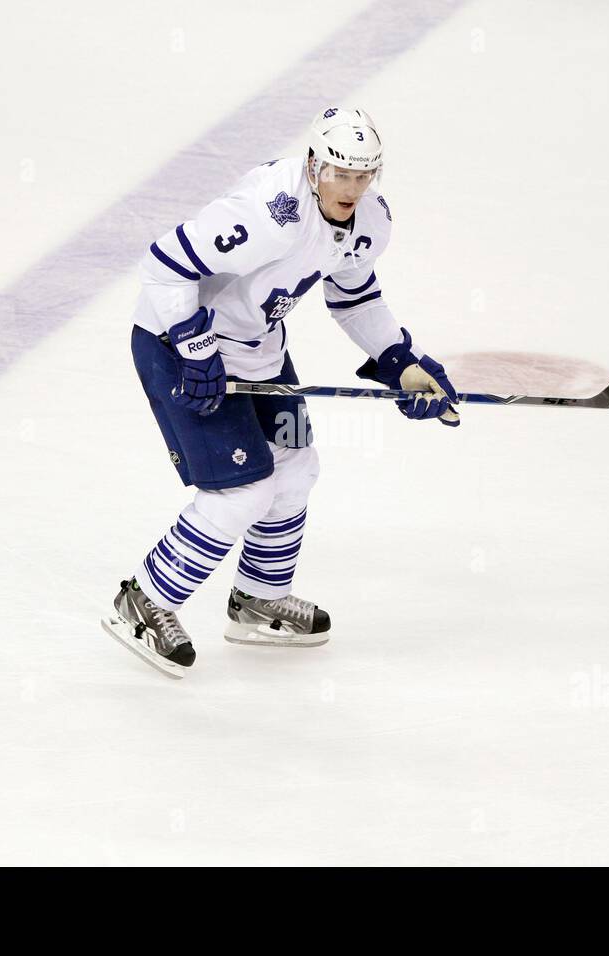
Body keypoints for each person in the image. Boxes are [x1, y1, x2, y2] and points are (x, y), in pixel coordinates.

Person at [105, 107, 460, 677]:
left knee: (296, 467)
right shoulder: (269, 213)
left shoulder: (370, 218)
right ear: (315, 164)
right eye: (341, 173)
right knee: (242, 491)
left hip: (258, 350)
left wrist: (399, 362)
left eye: (365, 174)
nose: (353, 187)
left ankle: (257, 599)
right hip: (175, 343)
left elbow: (354, 294)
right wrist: (196, 350)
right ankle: (144, 599)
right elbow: (165, 264)